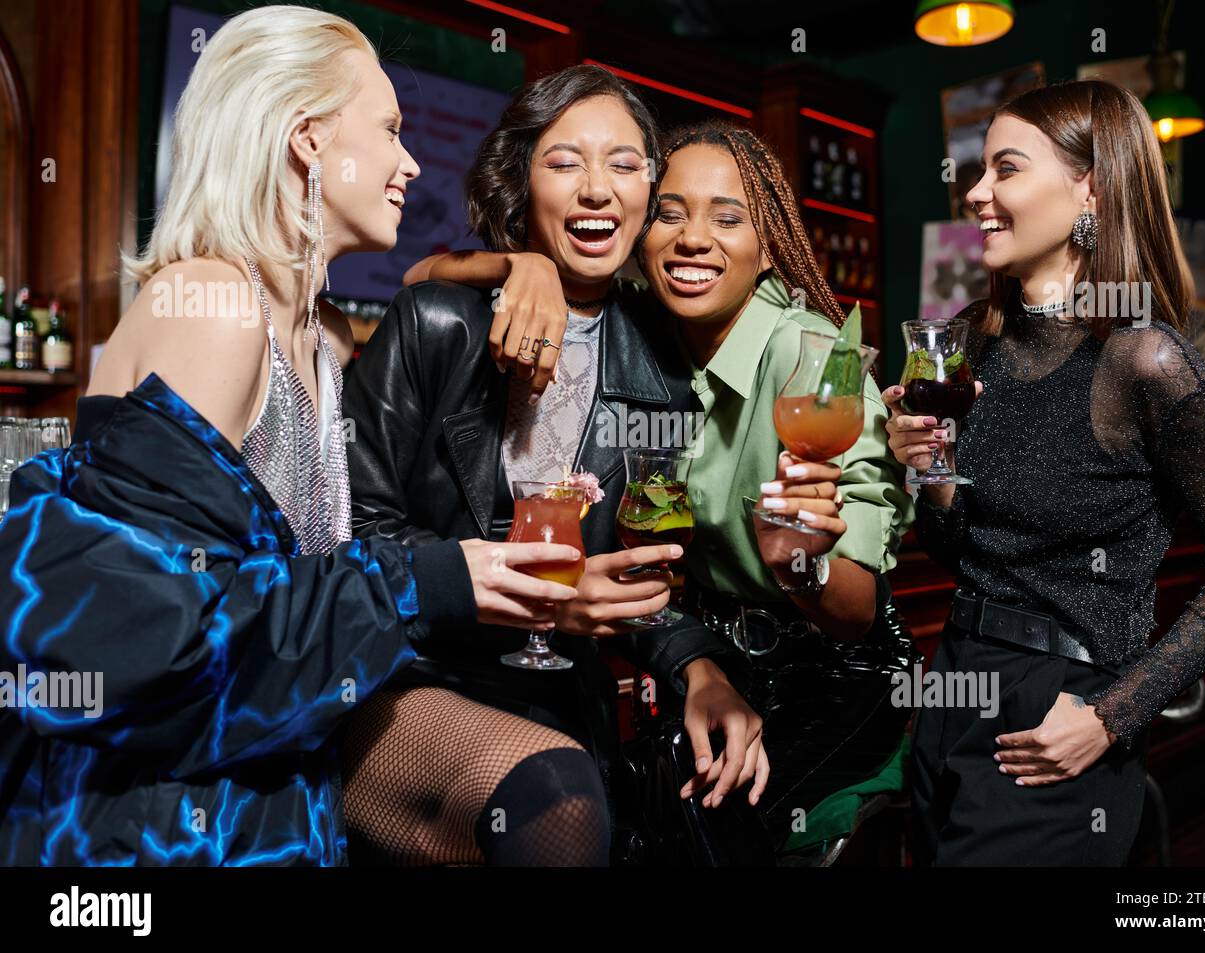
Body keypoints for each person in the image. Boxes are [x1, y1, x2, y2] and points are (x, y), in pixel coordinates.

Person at [0, 5, 580, 867]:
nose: (411, 162)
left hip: (276, 725)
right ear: (309, 139)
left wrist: (524, 265)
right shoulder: (215, 308)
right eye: (389, 129)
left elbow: (424, 286)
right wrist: (426, 583)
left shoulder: (325, 332)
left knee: (552, 791)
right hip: (148, 811)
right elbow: (156, 652)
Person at [407, 119, 914, 833]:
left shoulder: (811, 365)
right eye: (669, 214)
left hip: (829, 678)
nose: (693, 239)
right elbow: (421, 274)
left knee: (721, 832)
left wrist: (799, 564)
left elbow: (855, 610)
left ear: (769, 247)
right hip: (703, 661)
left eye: (727, 218)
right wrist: (527, 269)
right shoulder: (649, 325)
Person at [341, 66, 766, 866]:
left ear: (650, 192)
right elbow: (350, 536)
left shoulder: (660, 368)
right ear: (520, 183)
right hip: (407, 677)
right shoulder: (436, 324)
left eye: (625, 164)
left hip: (558, 700)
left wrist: (700, 667)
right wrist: (543, 605)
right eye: (564, 162)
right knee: (560, 804)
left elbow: (635, 570)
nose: (597, 189)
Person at [883, 80, 1205, 865]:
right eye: (980, 171)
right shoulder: (971, 342)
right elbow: (960, 551)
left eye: (1005, 169)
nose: (976, 194)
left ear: (1090, 184)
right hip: (952, 689)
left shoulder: (1146, 361)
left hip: (1057, 714)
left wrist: (1111, 714)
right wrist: (930, 471)